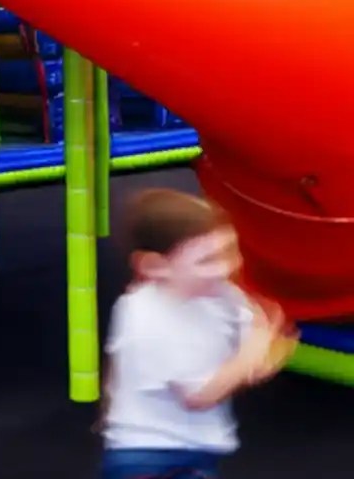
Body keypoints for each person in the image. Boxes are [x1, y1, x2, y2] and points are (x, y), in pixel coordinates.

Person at [98, 188, 297, 479]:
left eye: (229, 251)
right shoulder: (147, 316)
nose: (225, 268)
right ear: (155, 266)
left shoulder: (221, 295)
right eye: (206, 260)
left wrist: (263, 355)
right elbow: (198, 395)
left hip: (196, 450)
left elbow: (250, 350)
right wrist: (252, 351)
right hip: (151, 456)